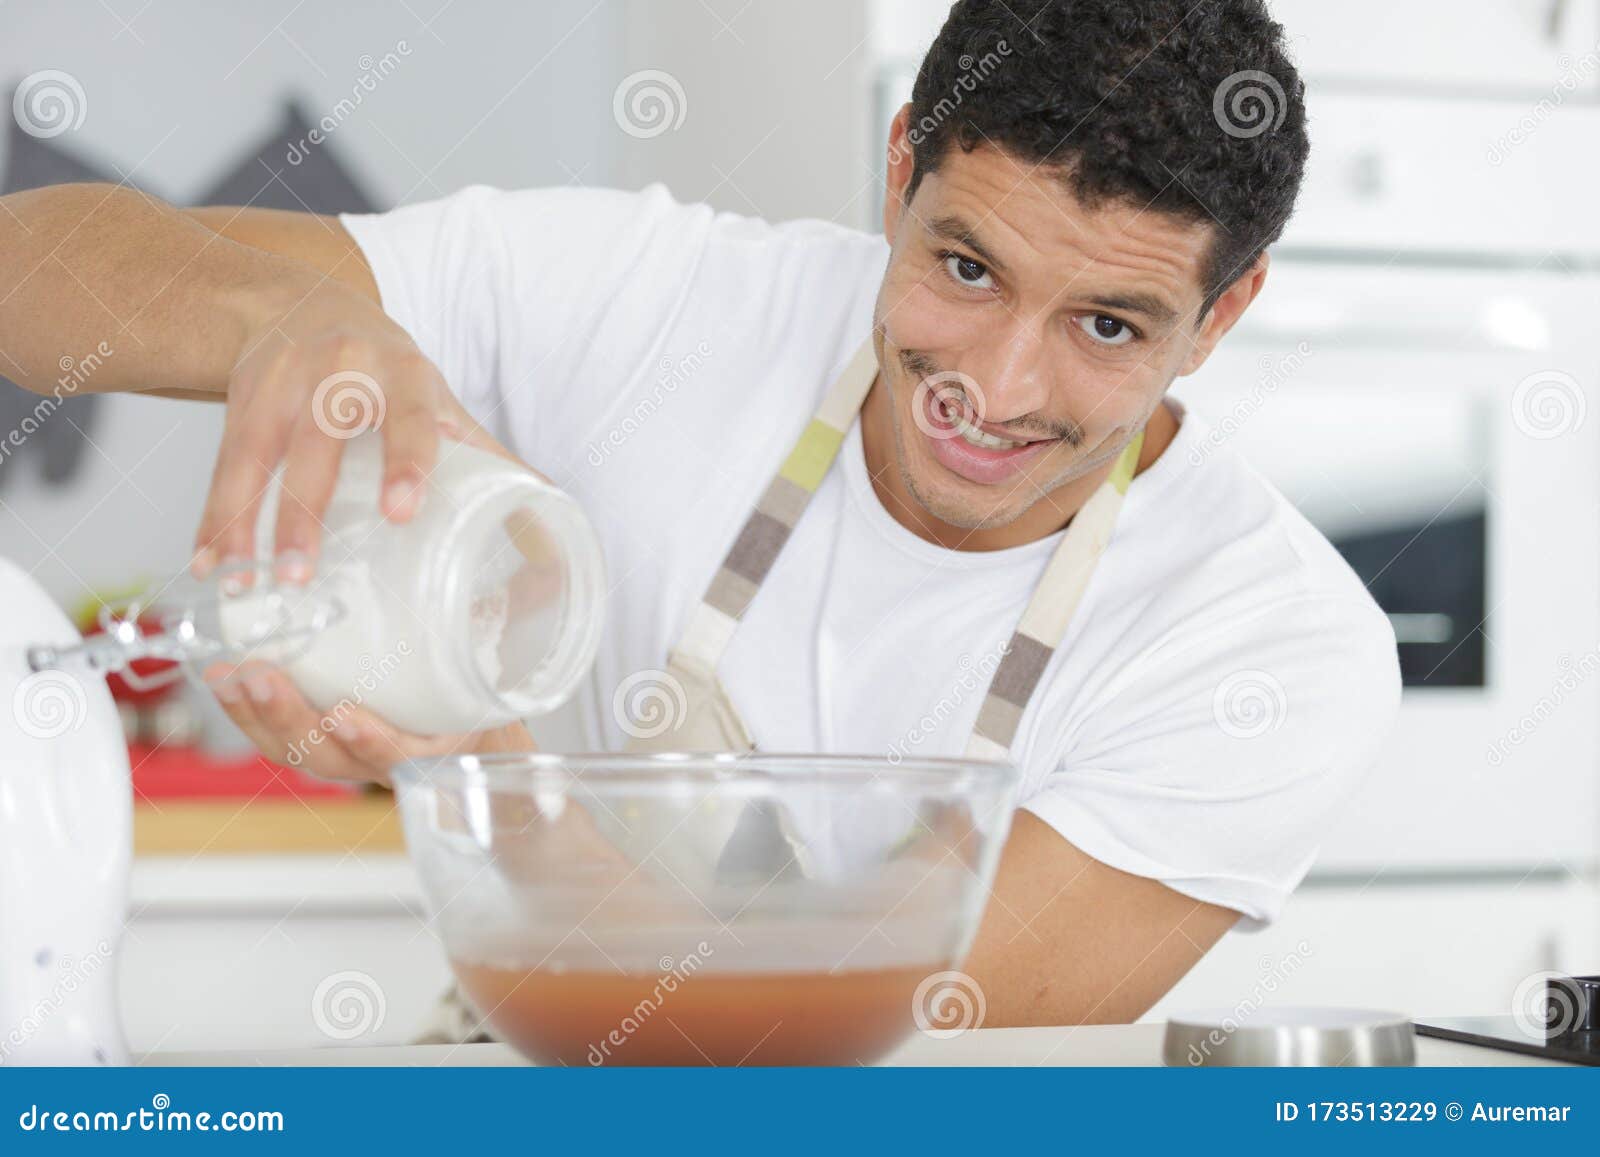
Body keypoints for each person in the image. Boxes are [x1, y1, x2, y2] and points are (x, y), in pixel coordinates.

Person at [0, 0, 1398, 1026]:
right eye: (964, 267)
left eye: (1106, 323)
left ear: (1223, 313)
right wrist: (291, 318)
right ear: (903, 166)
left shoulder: (1267, 644)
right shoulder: (654, 296)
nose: (996, 385)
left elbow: (882, 1049)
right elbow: (31, 263)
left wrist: (492, 774)